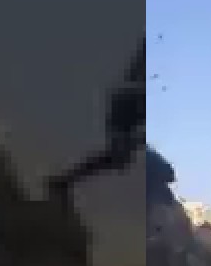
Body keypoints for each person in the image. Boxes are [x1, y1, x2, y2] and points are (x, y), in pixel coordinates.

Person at [45, 45, 147, 199]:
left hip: (129, 105)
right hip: (128, 104)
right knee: (117, 154)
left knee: (116, 154)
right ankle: (61, 183)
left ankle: (62, 183)